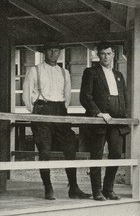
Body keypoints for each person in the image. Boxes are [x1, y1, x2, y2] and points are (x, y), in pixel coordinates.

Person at [22, 43, 90, 201]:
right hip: (41, 110)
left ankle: (73, 187)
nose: (54, 53)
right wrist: (36, 111)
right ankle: (48, 186)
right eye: (50, 50)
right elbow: (26, 95)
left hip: (60, 111)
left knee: (70, 148)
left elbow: (66, 96)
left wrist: (60, 110)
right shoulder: (35, 70)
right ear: (45, 51)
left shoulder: (64, 72)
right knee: (44, 151)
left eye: (57, 51)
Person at [80, 42, 130, 201]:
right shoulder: (91, 72)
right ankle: (97, 191)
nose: (106, 57)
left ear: (113, 54)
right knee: (97, 154)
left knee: (116, 153)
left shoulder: (119, 75)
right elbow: (85, 97)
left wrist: (123, 116)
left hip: (116, 121)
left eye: (108, 53)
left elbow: (124, 97)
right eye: (102, 54)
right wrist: (98, 113)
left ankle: (109, 189)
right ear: (98, 55)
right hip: (99, 121)